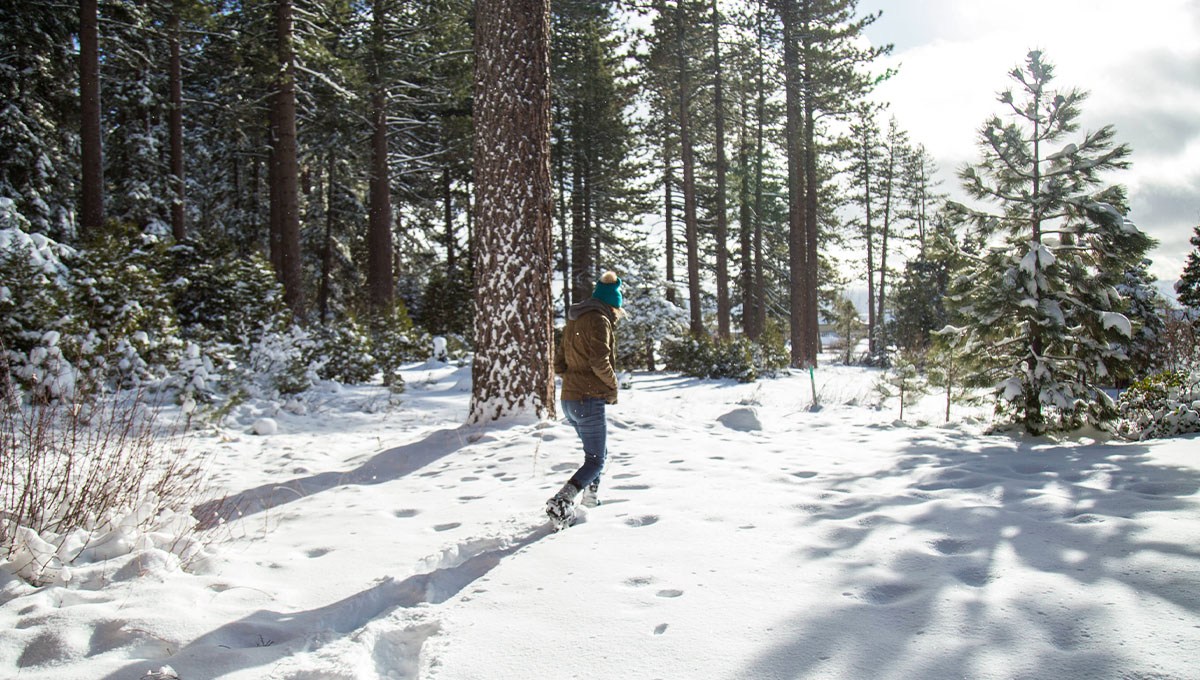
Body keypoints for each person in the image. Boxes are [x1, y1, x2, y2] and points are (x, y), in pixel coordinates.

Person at [546, 270, 623, 526]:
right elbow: (600, 361)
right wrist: (613, 385)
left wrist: (575, 378)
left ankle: (590, 499)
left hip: (569, 399)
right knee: (596, 460)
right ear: (613, 306)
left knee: (597, 454)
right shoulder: (600, 320)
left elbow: (558, 364)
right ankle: (561, 501)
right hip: (588, 398)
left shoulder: (574, 321)